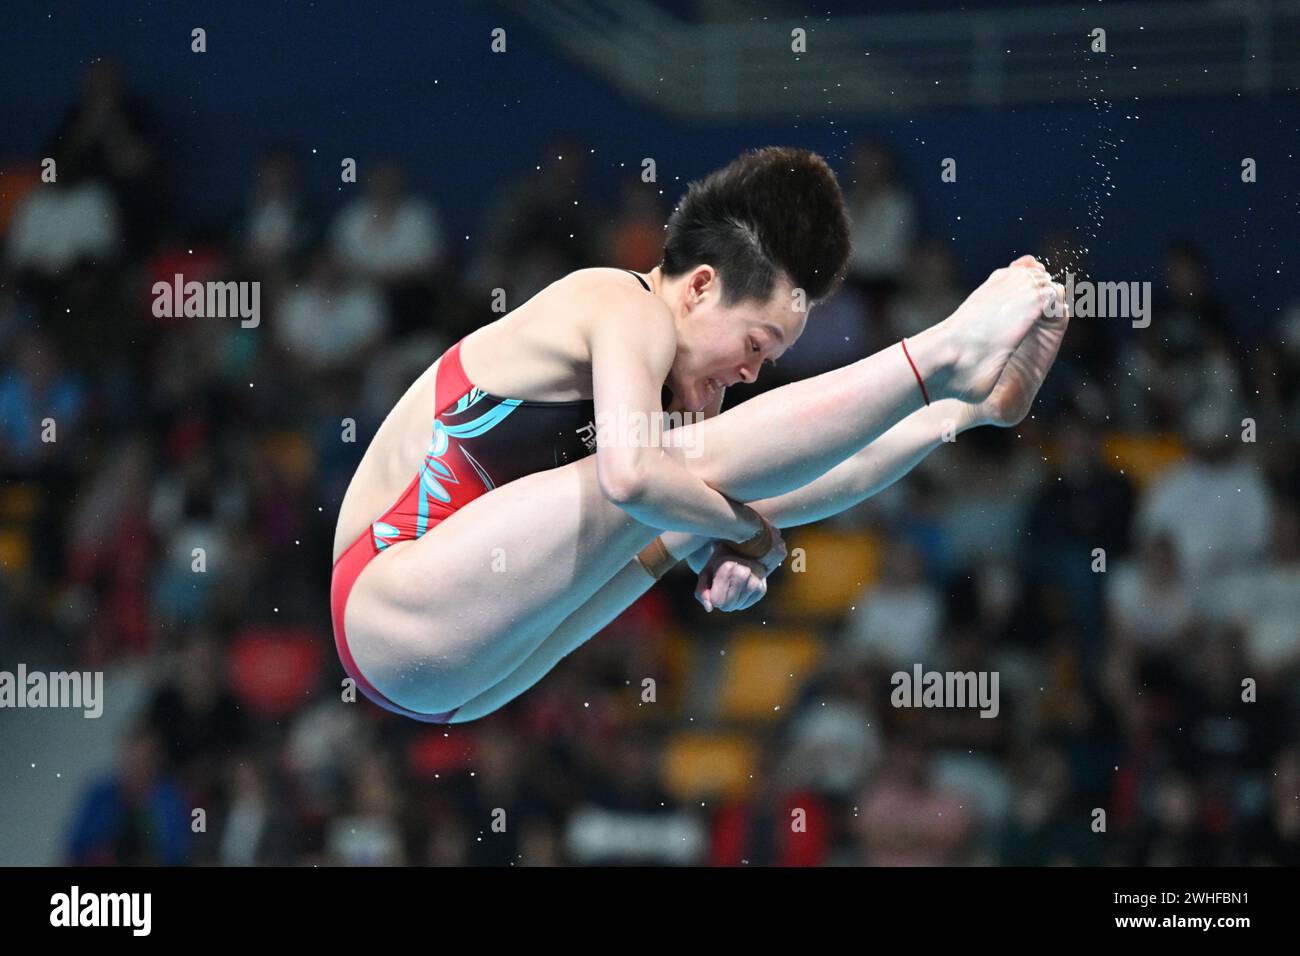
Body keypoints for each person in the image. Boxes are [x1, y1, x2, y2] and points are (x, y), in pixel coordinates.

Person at [331, 146, 1070, 725]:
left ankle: (960, 411)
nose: (750, 373)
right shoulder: (618, 304)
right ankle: (943, 356)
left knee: (711, 485)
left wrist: (730, 549)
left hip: (473, 670)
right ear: (700, 286)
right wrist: (739, 531)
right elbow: (630, 479)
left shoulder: (687, 397)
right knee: (681, 473)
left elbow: (693, 501)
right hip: (389, 603)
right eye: (754, 343)